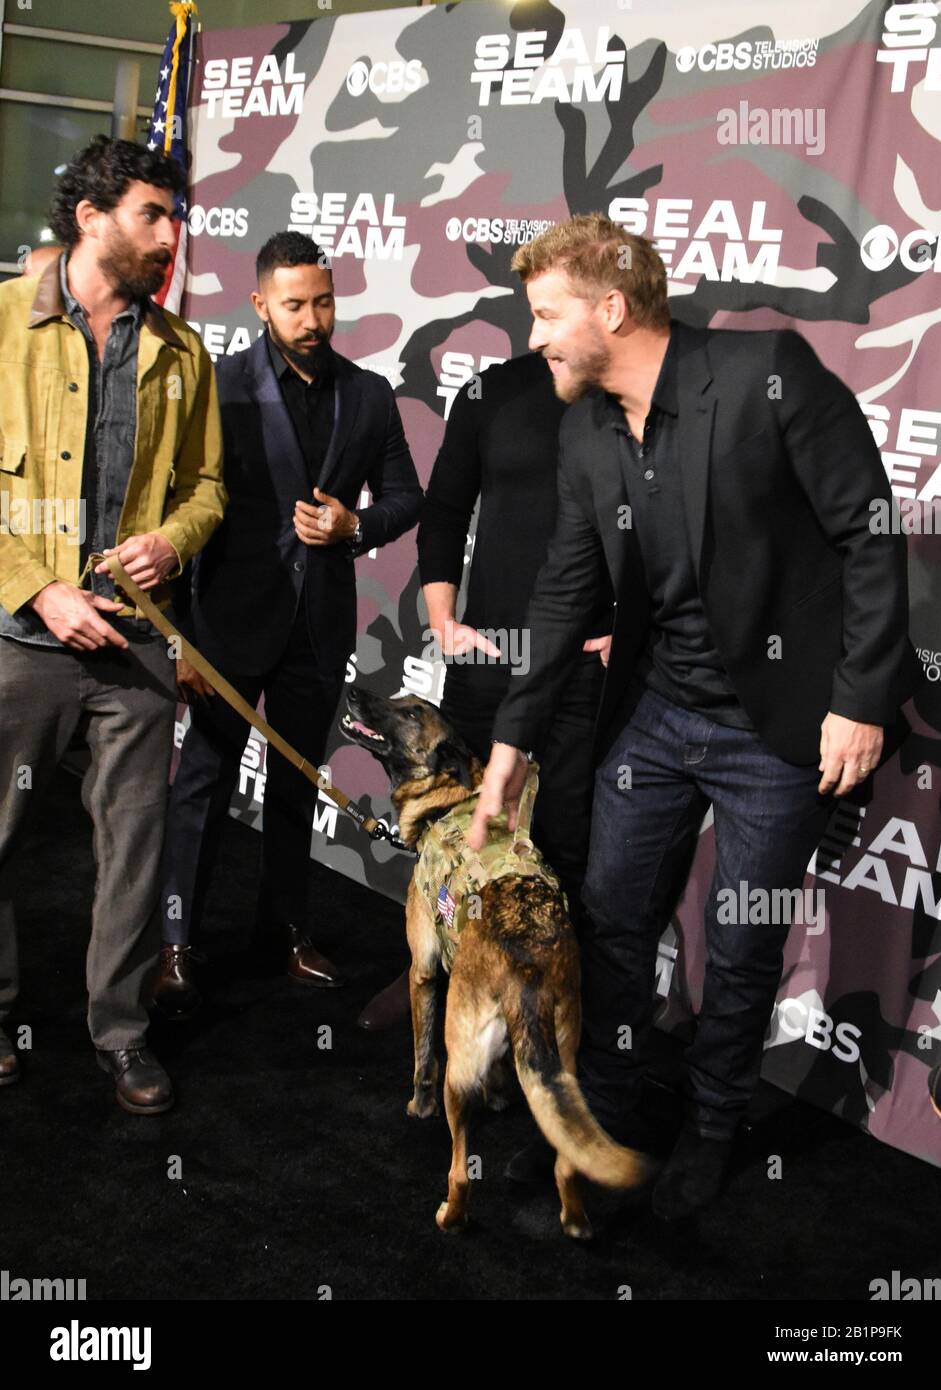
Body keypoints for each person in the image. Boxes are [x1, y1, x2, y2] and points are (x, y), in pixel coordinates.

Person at [468, 213, 918, 1219]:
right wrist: (508, 747)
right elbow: (561, 594)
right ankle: (618, 1103)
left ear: (612, 308)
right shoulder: (585, 428)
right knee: (614, 916)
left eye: (546, 315)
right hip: (657, 714)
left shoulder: (767, 374)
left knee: (742, 938)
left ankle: (716, 1126)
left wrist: (857, 700)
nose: (532, 337)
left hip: (778, 727)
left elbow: (868, 532)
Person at [0, 136, 226, 1113]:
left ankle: (122, 1034)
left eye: (174, 215)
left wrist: (172, 545)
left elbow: (208, 485)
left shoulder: (182, 351)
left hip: (136, 647)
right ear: (91, 216)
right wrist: (38, 588)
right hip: (18, 643)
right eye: (152, 213)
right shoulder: (5, 323)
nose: (172, 234)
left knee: (135, 851)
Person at [154, 232, 423, 1018]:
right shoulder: (219, 385)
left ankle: (284, 930)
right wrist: (177, 633)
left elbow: (406, 498)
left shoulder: (369, 393)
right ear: (260, 304)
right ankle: (176, 946)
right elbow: (179, 508)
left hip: (318, 627)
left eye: (324, 301)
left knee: (295, 786)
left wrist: (355, 528)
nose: (313, 319)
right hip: (225, 623)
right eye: (295, 304)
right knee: (199, 785)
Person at [356, 351, 613, 1031]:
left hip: (585, 667)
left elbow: (671, 521)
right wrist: (443, 618)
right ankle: (432, 971)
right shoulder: (492, 389)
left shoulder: (630, 388)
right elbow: (443, 509)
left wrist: (632, 627)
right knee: (455, 840)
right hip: (489, 656)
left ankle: (544, 1013)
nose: (545, 321)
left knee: (561, 845)